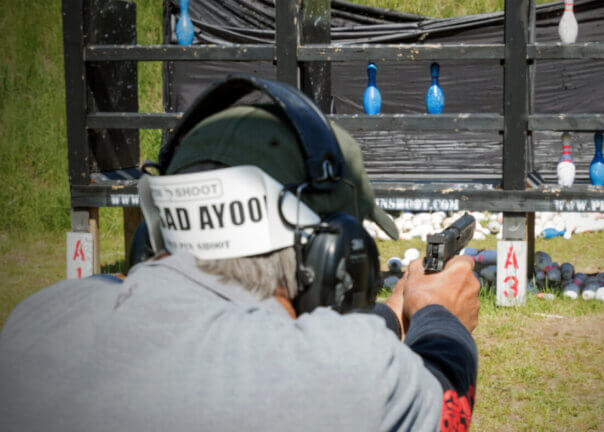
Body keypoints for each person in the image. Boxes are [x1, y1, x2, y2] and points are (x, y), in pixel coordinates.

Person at [0, 75, 480, 432]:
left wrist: (395, 313)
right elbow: (440, 400)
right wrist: (439, 316)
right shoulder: (344, 378)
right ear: (330, 261)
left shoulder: (38, 322)